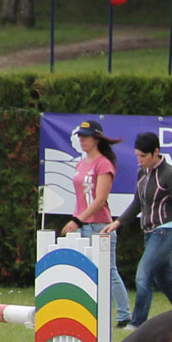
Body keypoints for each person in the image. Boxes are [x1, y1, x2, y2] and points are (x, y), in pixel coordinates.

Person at [104, 132, 172, 326]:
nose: (139, 160)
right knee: (165, 280)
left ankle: (137, 324)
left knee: (143, 275)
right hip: (150, 233)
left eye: (143, 156)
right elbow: (137, 203)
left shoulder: (171, 174)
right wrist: (118, 222)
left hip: (167, 231)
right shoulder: (142, 173)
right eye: (137, 156)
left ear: (156, 152)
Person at [60, 120, 132, 328]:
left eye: (86, 136)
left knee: (109, 271)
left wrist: (76, 220)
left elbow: (100, 199)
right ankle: (87, 312)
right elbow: (81, 198)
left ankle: (124, 315)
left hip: (100, 226)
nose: (82, 140)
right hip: (82, 225)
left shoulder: (104, 164)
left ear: (97, 139)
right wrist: (77, 221)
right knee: (83, 270)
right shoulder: (81, 163)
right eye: (80, 136)